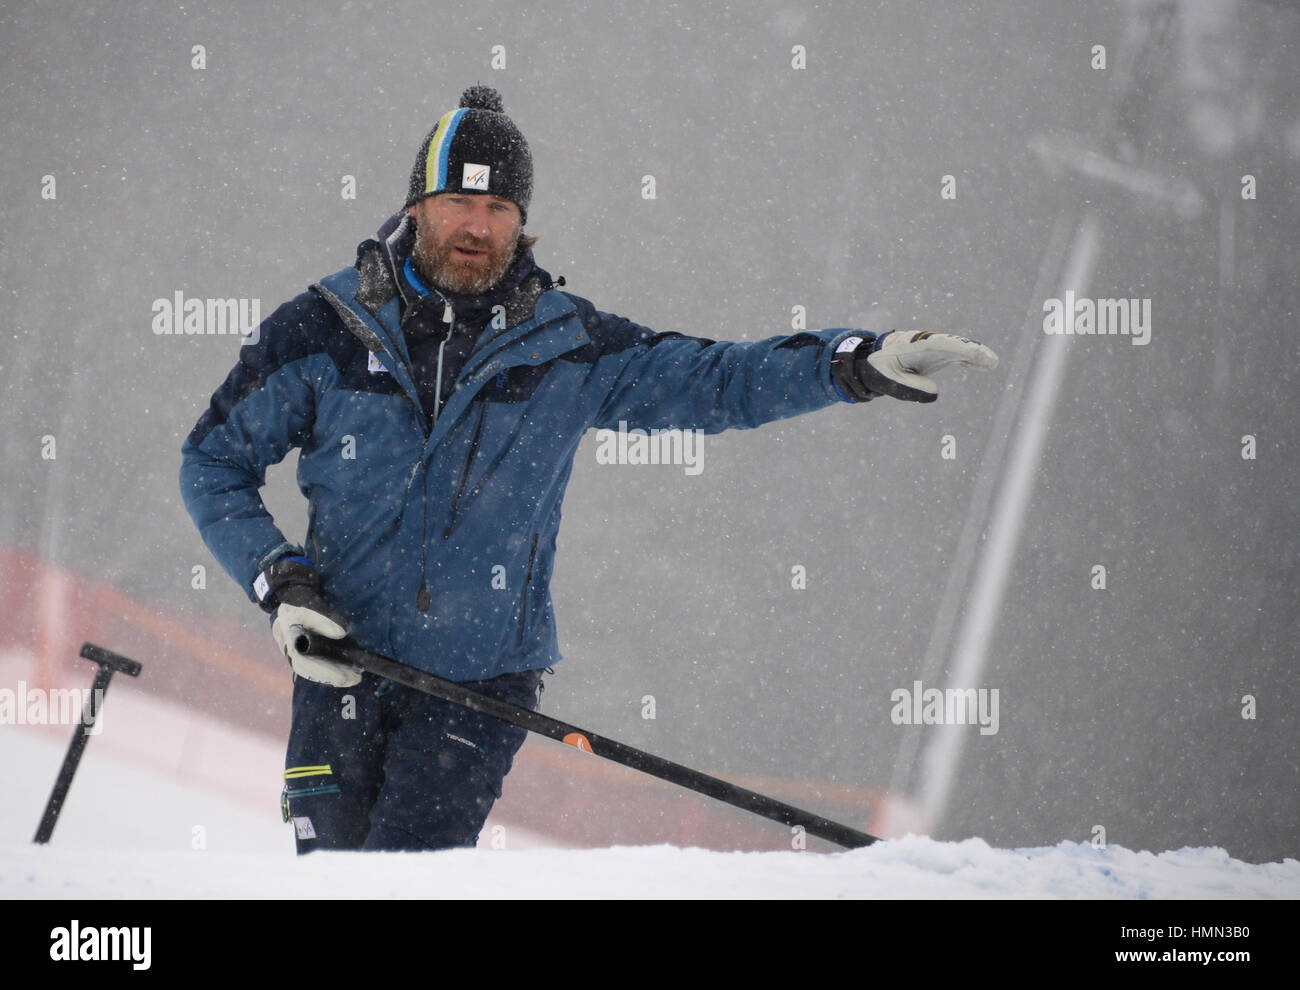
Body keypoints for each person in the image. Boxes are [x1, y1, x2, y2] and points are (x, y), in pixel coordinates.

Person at [179, 85, 998, 853]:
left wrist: (852, 363)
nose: (478, 224)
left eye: (499, 206)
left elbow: (714, 381)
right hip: (341, 663)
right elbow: (213, 462)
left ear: (522, 221)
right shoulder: (325, 329)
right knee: (334, 890)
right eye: (458, 200)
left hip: (477, 686)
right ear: (416, 206)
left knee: (404, 884)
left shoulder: (567, 346)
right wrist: (279, 584)